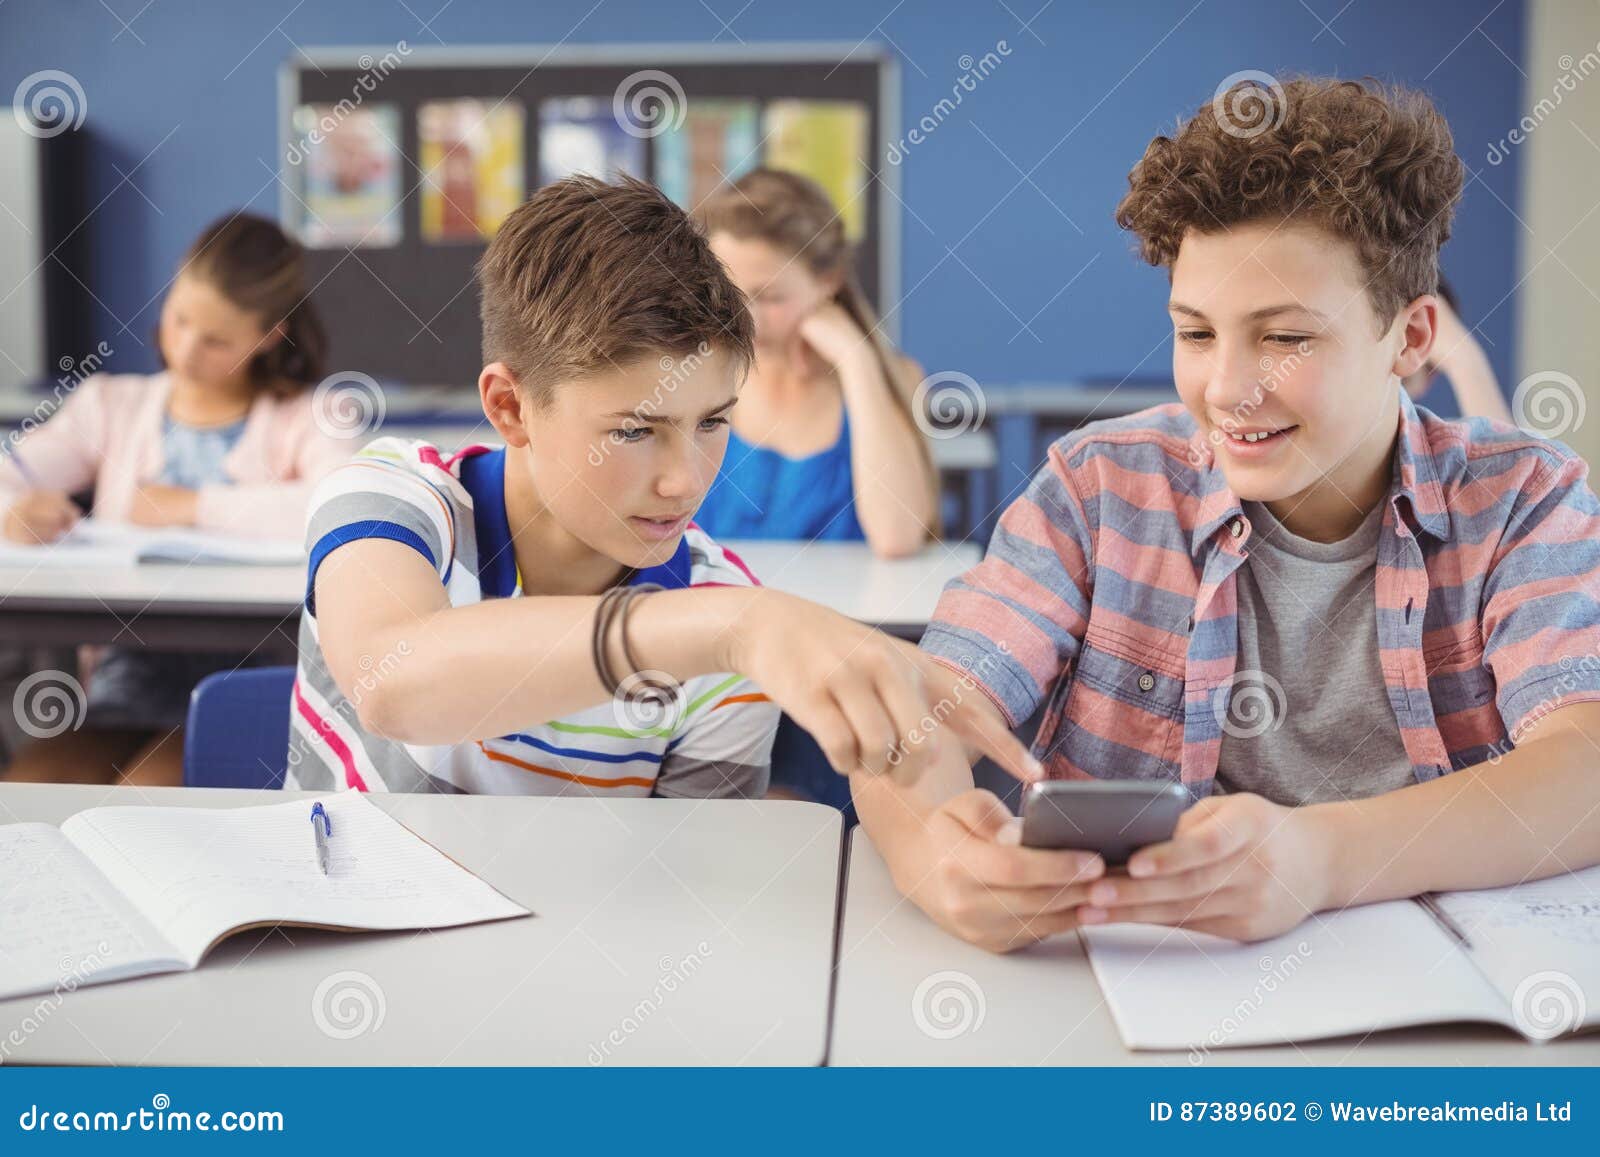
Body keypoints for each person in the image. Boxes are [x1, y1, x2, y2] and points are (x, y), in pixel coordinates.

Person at [852, 77, 1600, 952]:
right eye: (1197, 333)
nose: (1227, 390)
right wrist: (932, 855)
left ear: (1413, 337)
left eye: (1286, 338)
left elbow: (1582, 764)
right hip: (1138, 998)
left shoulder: (1522, 500)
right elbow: (926, 711)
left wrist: (1319, 859)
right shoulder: (1099, 489)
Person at [289, 175, 1036, 797]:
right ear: (511, 407)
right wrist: (728, 629)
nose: (686, 481)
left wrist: (732, 631)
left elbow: (680, 905)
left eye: (713, 422)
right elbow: (392, 684)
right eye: (634, 431)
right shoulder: (390, 494)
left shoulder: (727, 627)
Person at [1, 212, 350, 786]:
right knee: (26, 797)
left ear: (268, 337)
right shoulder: (110, 405)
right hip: (125, 683)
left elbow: (340, 503)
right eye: (180, 318)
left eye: (216, 340)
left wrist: (193, 506)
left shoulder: (311, 417)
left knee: (142, 806)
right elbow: (10, 470)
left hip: (246, 687)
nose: (186, 350)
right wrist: (12, 509)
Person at [696, 169, 938, 557]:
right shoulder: (692, 378)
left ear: (829, 281)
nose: (746, 318)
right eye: (729, 293)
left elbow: (897, 538)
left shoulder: (898, 378)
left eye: (771, 296)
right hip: (711, 613)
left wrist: (856, 360)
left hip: (839, 616)